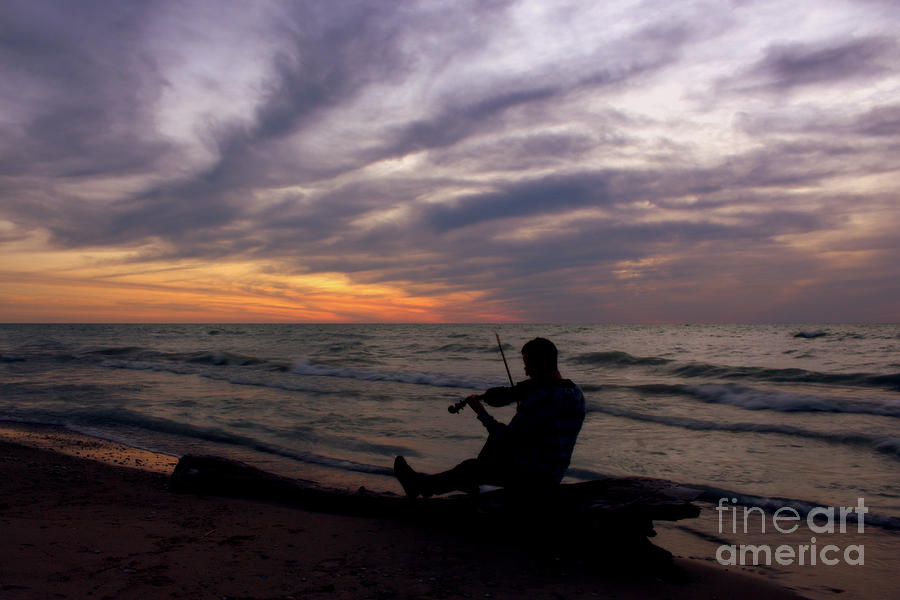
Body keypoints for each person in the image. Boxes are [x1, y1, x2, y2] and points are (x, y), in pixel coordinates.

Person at [394, 337, 585, 499]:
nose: (526, 373)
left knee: (472, 466)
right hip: (554, 472)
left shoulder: (540, 397)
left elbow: (506, 439)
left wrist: (482, 413)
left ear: (543, 363)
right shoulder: (576, 393)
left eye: (529, 366)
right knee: (484, 460)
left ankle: (420, 486)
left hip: (533, 476)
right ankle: (466, 482)